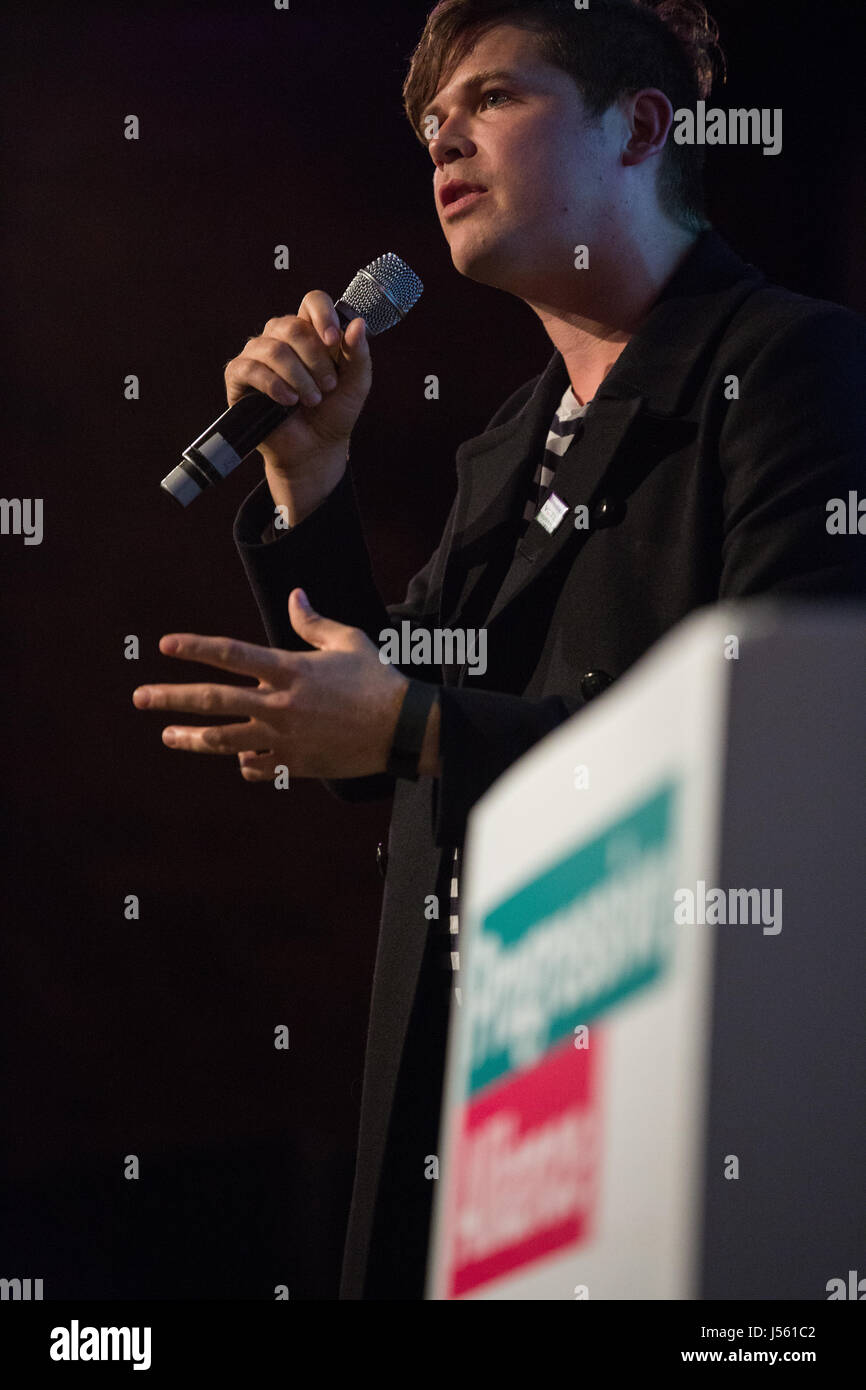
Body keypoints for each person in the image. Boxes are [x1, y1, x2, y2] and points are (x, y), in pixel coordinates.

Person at [133, 0, 866, 1298]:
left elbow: (787, 756)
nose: (442, 143)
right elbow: (387, 736)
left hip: (674, 1084)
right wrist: (312, 483)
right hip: (480, 1086)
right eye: (430, 122)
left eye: (491, 100)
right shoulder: (506, 454)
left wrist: (414, 727)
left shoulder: (790, 369)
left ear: (639, 127)